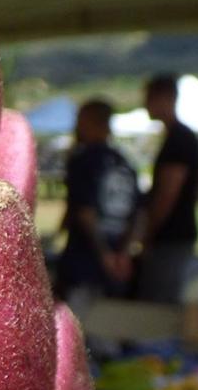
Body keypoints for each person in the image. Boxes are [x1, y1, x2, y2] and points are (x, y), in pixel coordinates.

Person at [57, 99, 139, 314]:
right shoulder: (124, 162)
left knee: (78, 323)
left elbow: (85, 211)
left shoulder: (84, 160)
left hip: (86, 259)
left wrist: (104, 255)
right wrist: (123, 253)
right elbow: (138, 213)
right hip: (116, 256)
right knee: (109, 323)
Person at [133, 74, 198, 303]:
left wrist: (149, 233)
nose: (145, 104)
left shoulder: (179, 139)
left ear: (165, 98)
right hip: (177, 234)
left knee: (159, 307)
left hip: (171, 237)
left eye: (149, 98)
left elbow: (167, 194)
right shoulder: (181, 137)